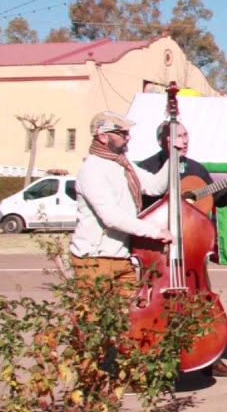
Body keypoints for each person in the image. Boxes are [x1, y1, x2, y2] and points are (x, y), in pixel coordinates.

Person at [136, 119, 227, 379]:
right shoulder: (148, 168)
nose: (184, 140)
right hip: (159, 251)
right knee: (156, 308)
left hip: (193, 250)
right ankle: (150, 358)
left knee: (200, 303)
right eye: (177, 136)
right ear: (163, 141)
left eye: (185, 135)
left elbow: (208, 200)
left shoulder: (196, 168)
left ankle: (209, 356)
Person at [72, 111, 173, 287]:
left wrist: (173, 154)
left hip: (121, 256)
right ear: (103, 136)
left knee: (129, 312)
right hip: (95, 259)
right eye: (122, 133)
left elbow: (154, 186)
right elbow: (111, 217)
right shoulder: (92, 169)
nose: (129, 137)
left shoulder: (123, 164)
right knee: (94, 314)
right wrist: (155, 232)